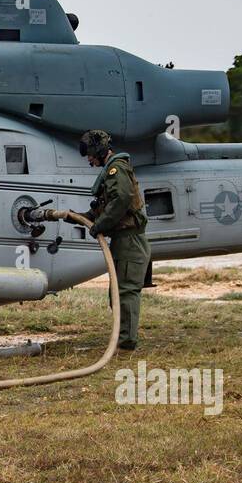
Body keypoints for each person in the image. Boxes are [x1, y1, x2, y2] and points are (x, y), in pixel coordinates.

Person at [80, 129, 150, 350]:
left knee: (126, 293)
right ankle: (123, 338)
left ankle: (126, 343)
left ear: (98, 151)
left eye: (90, 154)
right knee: (118, 294)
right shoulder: (114, 170)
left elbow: (121, 199)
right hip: (123, 241)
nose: (89, 159)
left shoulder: (115, 170)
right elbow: (111, 203)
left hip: (129, 241)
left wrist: (99, 226)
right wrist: (85, 218)